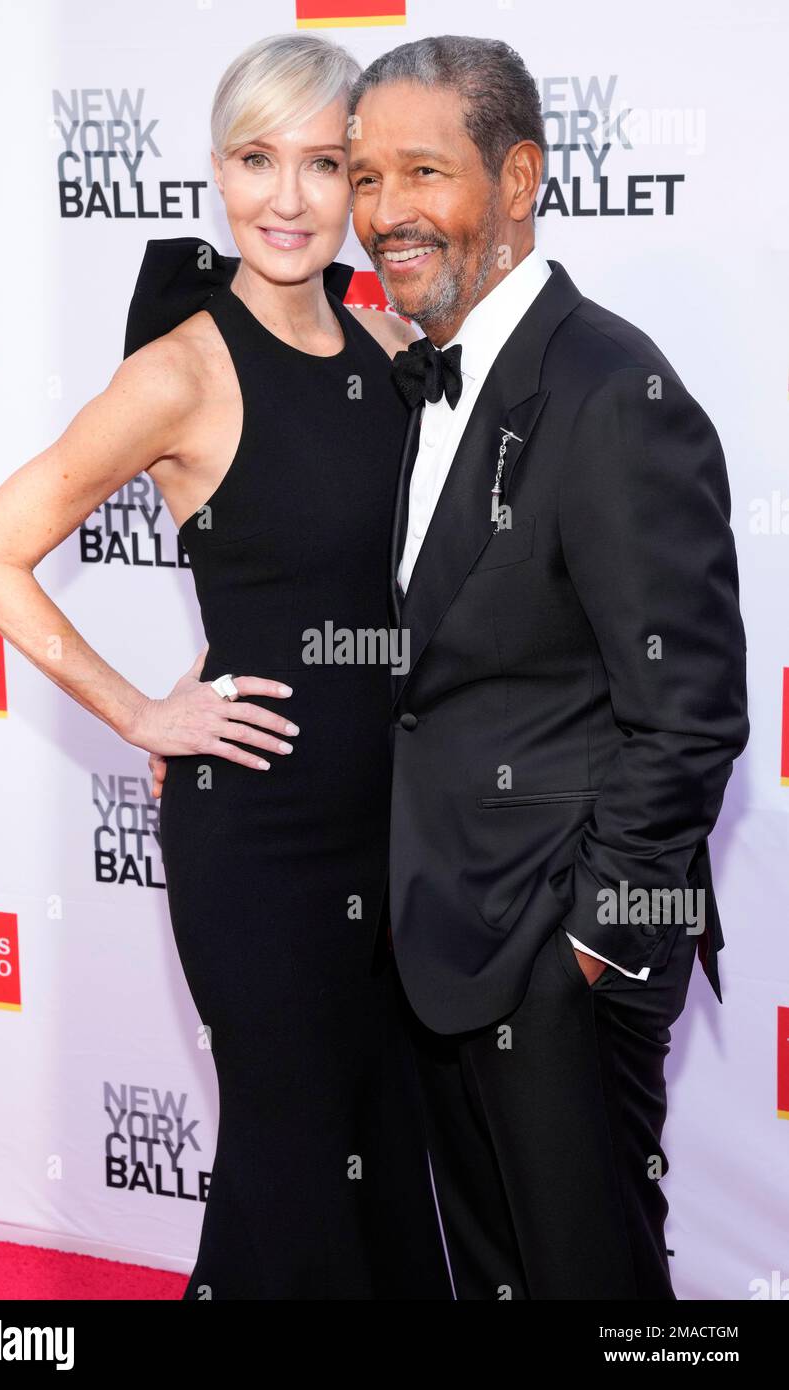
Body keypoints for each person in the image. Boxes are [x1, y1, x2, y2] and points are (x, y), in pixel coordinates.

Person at [0, 33, 452, 1301]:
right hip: (264, 839)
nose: (287, 198)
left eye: (323, 164)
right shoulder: (179, 368)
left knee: (380, 1158)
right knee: (288, 1176)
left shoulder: (380, 338)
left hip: (391, 828)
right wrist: (141, 711)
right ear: (217, 170)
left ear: (361, 181)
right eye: (255, 160)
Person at [348, 34, 749, 1299]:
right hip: (440, 934)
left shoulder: (610, 390)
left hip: (553, 955)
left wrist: (584, 946)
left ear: (516, 179)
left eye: (422, 171)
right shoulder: (420, 382)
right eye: (363, 177)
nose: (383, 213)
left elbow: (687, 711)